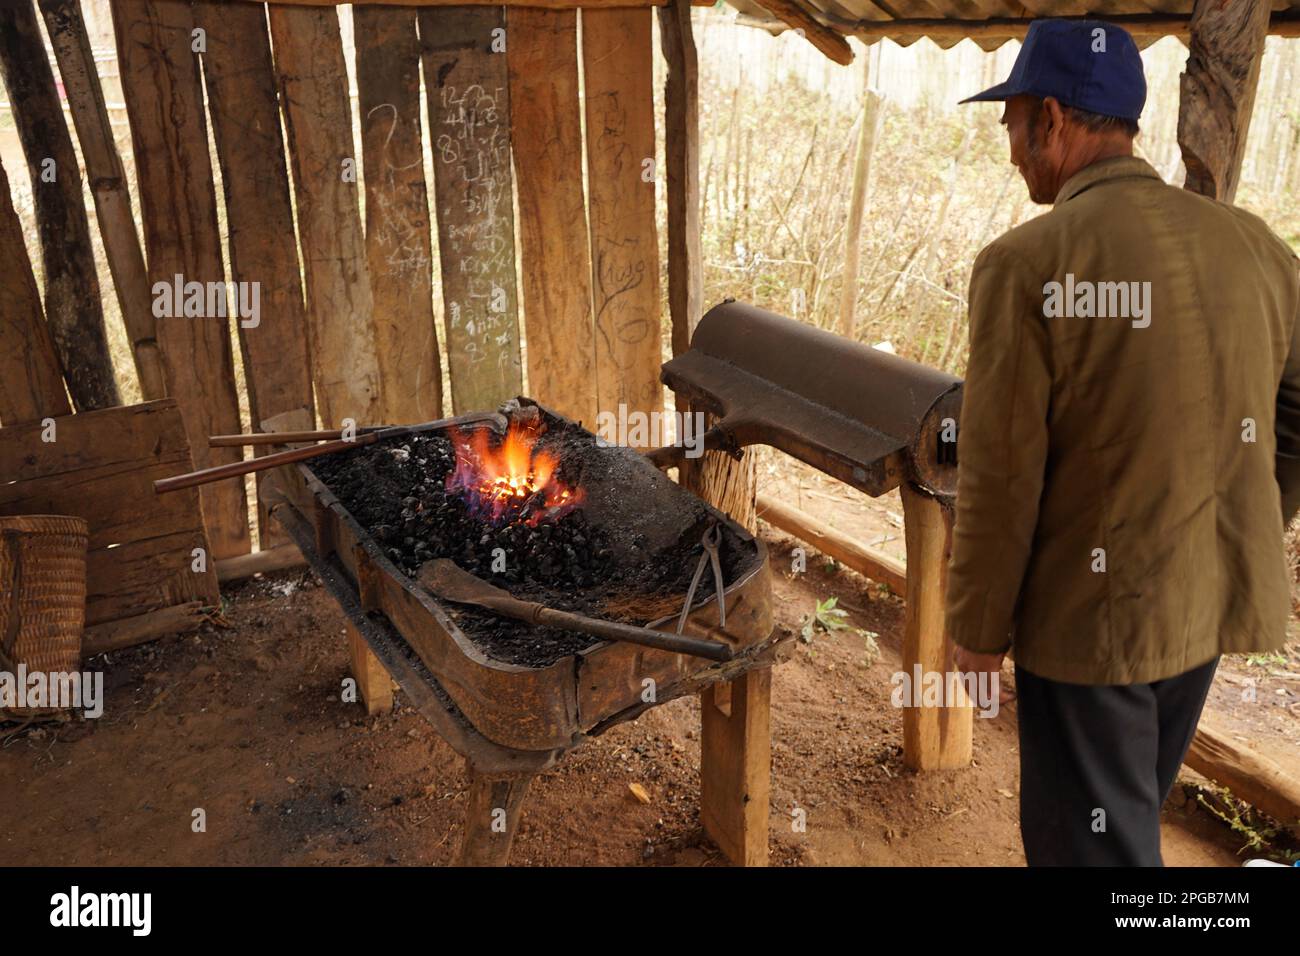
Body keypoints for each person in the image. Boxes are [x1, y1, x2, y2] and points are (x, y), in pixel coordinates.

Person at [948, 18, 1300, 865]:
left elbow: (1002, 474)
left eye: (1012, 123)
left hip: (1093, 629)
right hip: (1204, 608)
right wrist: (1246, 507)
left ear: (1054, 121)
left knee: (1094, 854)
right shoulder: (1254, 246)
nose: (1010, 149)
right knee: (1129, 814)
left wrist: (975, 630)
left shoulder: (1026, 263)